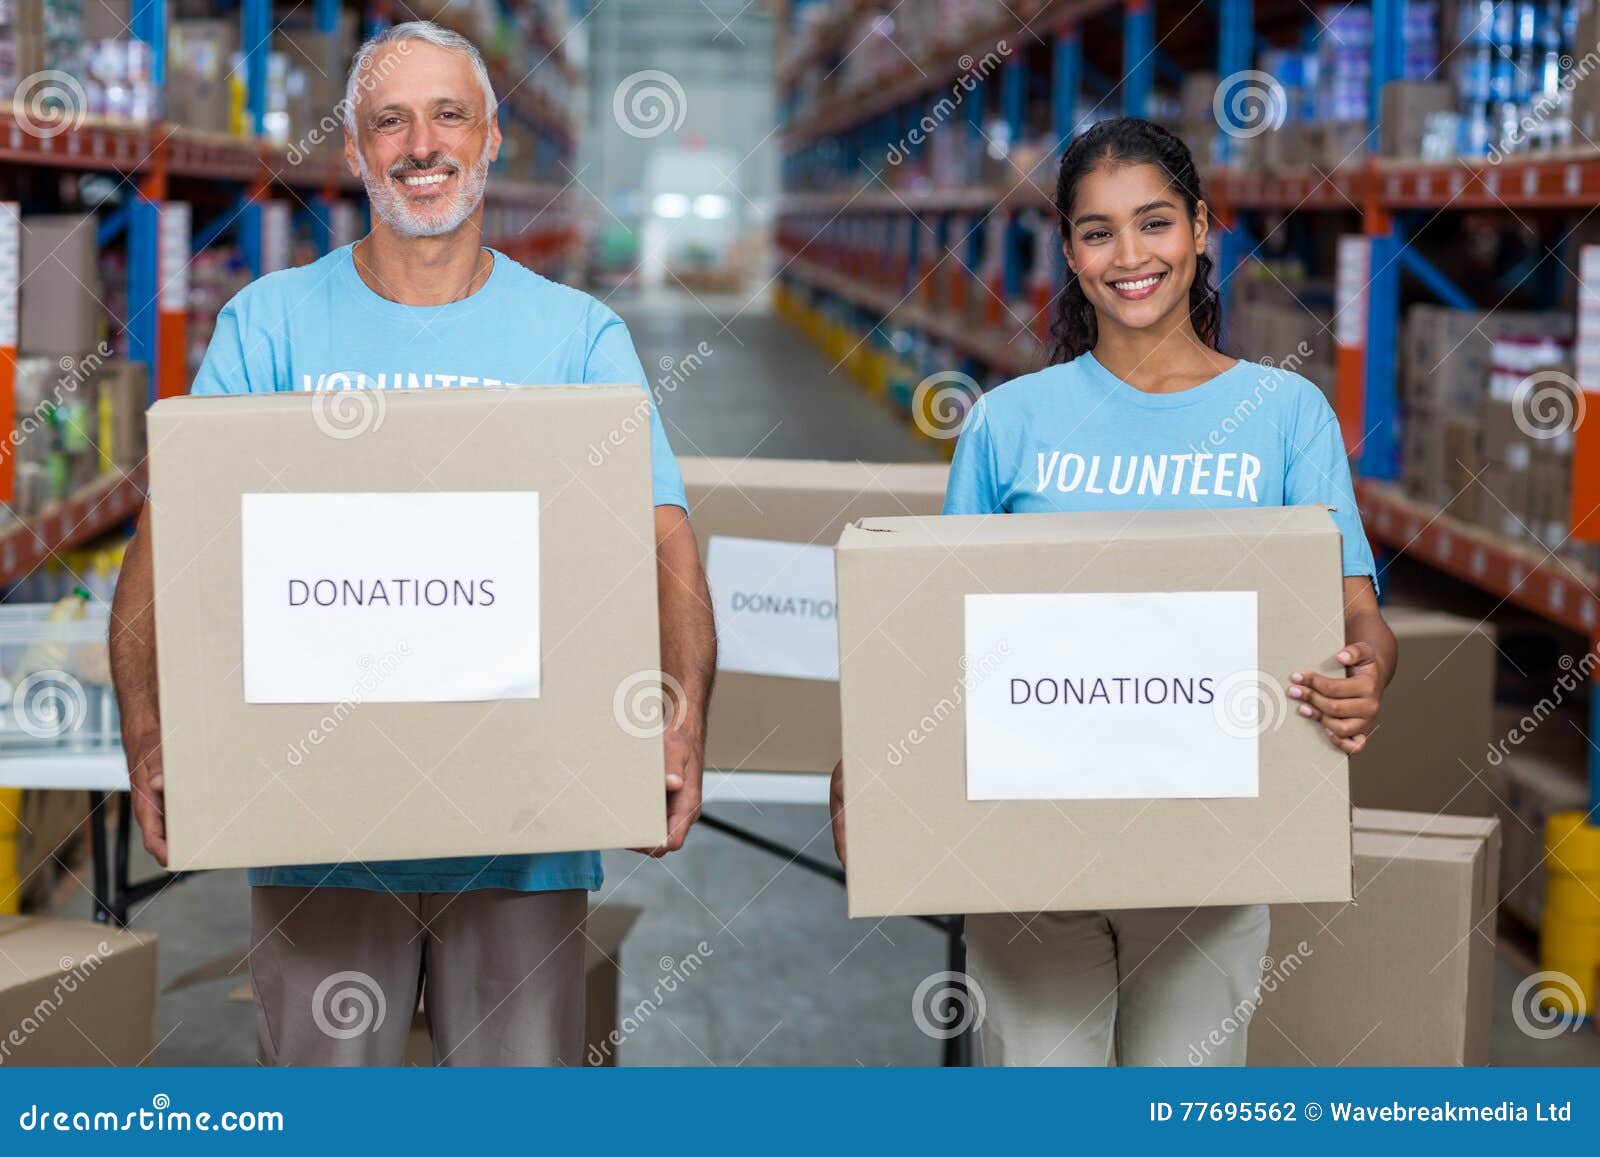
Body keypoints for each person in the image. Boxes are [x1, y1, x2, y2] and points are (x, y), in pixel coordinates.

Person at [108, 21, 716, 1066]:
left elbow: (663, 542)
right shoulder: (270, 326)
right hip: (319, 825)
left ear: (490, 143)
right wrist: (152, 728)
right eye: (390, 119)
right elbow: (179, 540)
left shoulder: (575, 336)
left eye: (449, 116)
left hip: (526, 830)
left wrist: (679, 715)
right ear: (352, 149)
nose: (420, 144)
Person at [830, 117, 1396, 1066]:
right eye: (1097, 232)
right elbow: (936, 633)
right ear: (1069, 250)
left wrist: (1366, 669)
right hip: (1029, 849)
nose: (1129, 256)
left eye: (1155, 223)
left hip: (1214, 850)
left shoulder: (1284, 414)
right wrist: (871, 760)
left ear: (1203, 229)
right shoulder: (1010, 423)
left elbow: (1355, 611)